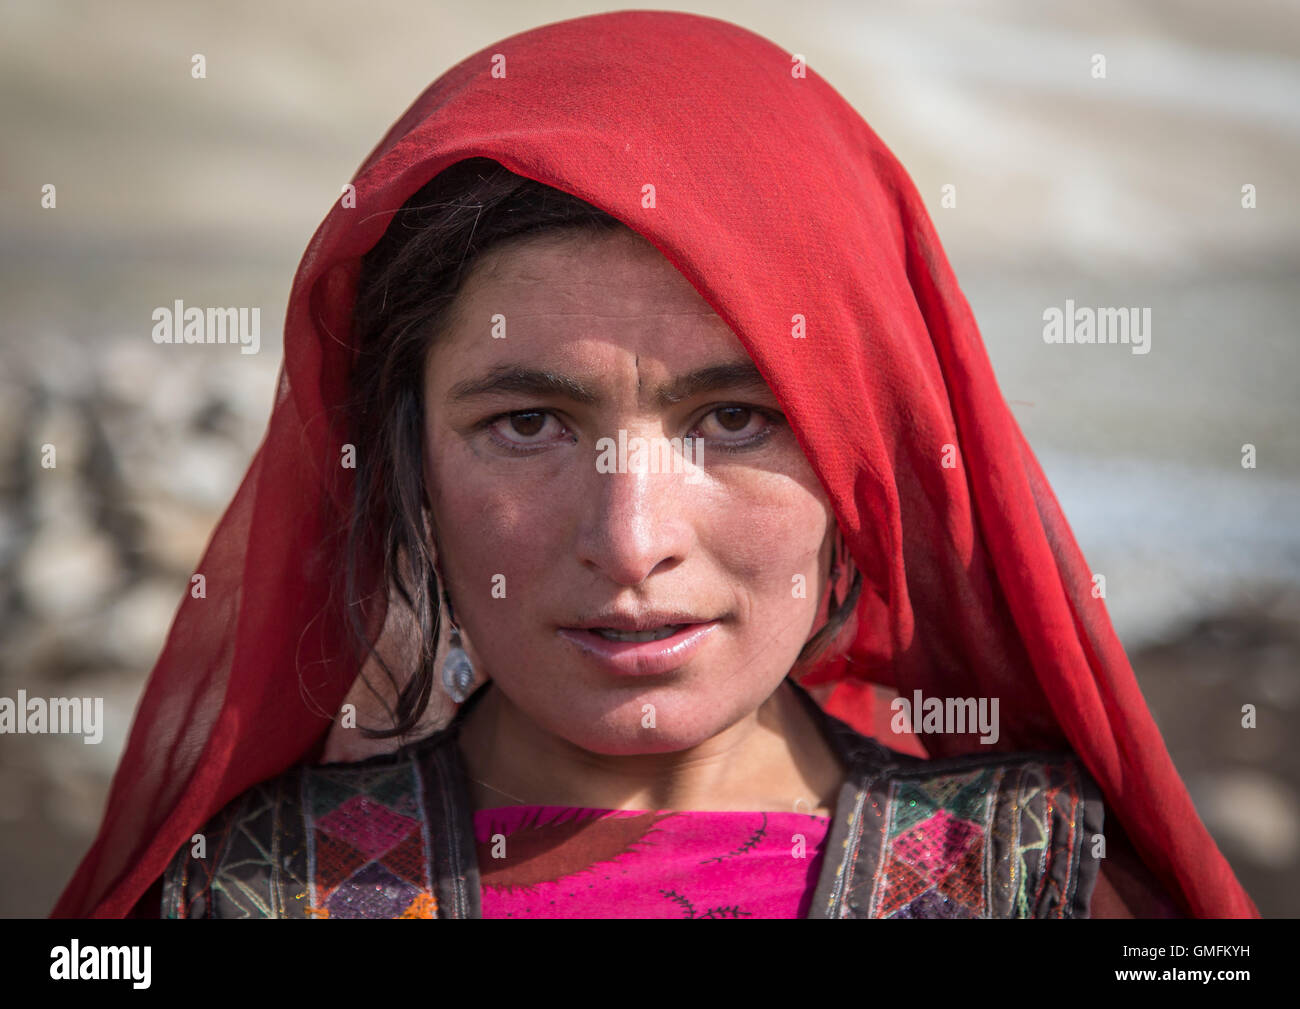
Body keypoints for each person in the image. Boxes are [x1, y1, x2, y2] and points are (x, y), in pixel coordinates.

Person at [52, 10, 1256, 919]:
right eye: (528, 424)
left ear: (864, 459)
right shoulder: (255, 892)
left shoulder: (1031, 877)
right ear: (404, 463)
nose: (630, 542)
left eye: (734, 419)